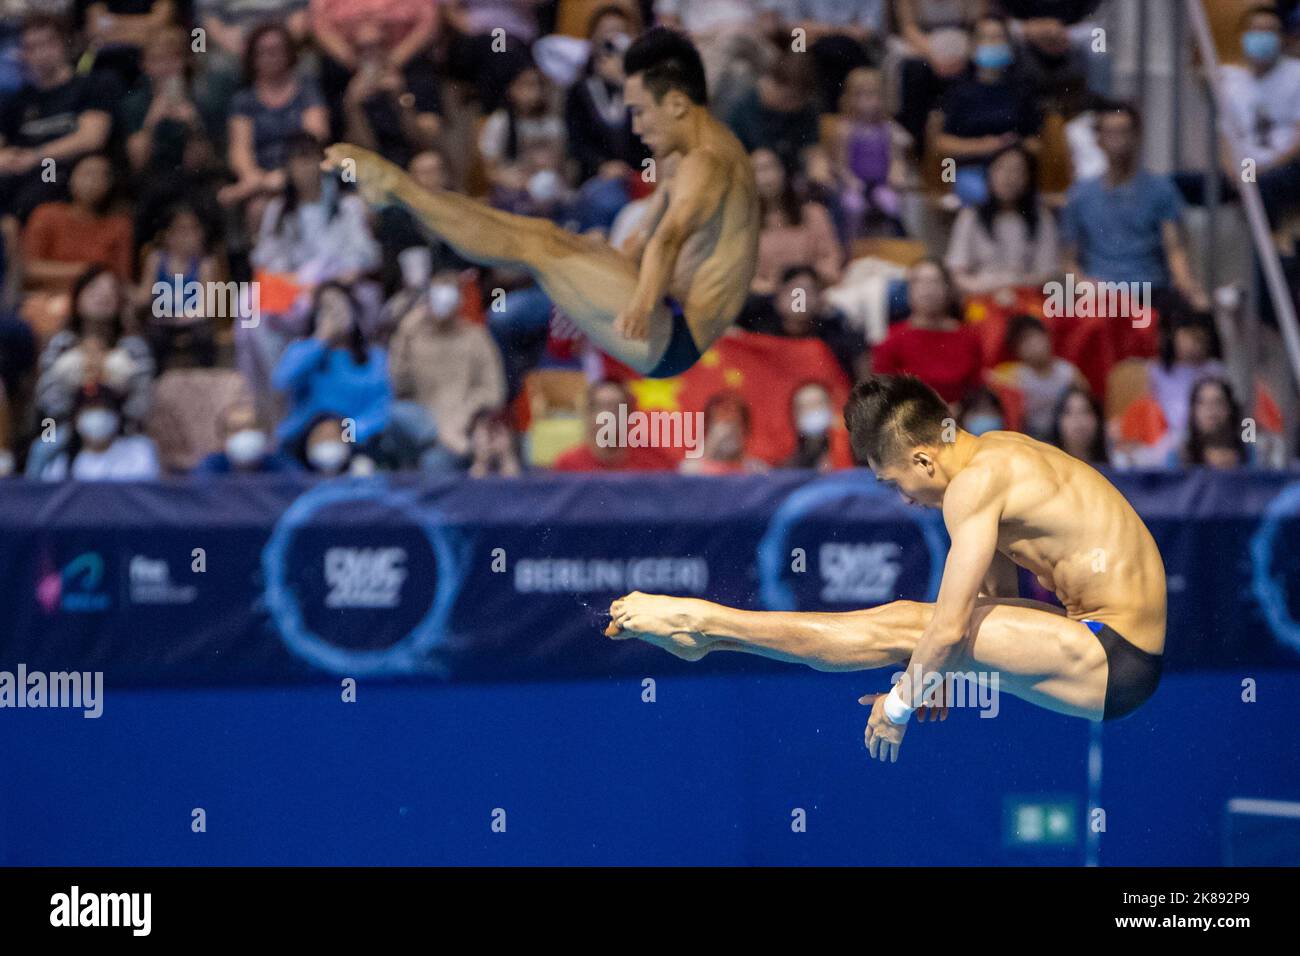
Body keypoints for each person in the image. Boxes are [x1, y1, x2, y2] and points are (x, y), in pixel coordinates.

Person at [607, 374, 1167, 761]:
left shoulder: (972, 488)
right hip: (1105, 642)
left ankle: (710, 625)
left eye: (895, 481)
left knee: (910, 623)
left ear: (923, 458)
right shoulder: (999, 453)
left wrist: (899, 706)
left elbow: (949, 627)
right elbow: (983, 608)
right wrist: (939, 672)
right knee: (919, 632)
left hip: (1111, 654)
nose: (902, 498)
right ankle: (713, 636)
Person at [322, 27, 760, 379]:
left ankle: (400, 189)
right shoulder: (693, 150)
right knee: (543, 237)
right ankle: (402, 191)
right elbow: (654, 233)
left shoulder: (707, 163)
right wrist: (615, 257)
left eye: (642, 113)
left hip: (671, 332)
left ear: (679, 104)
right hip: (668, 306)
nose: (638, 127)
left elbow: (669, 239)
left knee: (537, 247)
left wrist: (641, 305)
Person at [870, 257, 984, 404]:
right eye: (919, 283)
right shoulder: (891, 339)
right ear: (909, 290)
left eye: (934, 282)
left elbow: (977, 387)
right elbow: (882, 394)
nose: (927, 290)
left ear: (948, 289)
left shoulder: (969, 337)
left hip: (961, 416)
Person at [37, 385, 160, 481]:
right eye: (90, 408)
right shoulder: (60, 468)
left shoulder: (140, 452)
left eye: (105, 407)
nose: (98, 414)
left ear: (117, 416)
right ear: (75, 419)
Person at [194, 401, 300, 473]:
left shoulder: (281, 465)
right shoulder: (211, 467)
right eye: (236, 429)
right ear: (223, 438)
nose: (245, 434)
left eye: (252, 427)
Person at [1048, 385, 1110, 466]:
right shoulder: (1046, 462)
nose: (1078, 419)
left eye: (1085, 411)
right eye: (1069, 412)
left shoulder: (1116, 461)